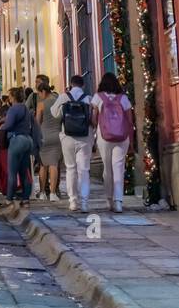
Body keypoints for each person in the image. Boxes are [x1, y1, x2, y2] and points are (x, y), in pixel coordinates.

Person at [91, 71, 134, 213]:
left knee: (107, 169)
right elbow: (129, 121)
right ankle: (119, 202)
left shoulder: (98, 97)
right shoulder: (123, 98)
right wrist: (131, 142)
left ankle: (109, 199)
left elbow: (94, 119)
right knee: (119, 168)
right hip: (122, 137)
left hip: (104, 137)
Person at [52, 74, 95, 213]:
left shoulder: (64, 97)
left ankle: (73, 201)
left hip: (68, 137)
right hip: (85, 138)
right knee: (84, 170)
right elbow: (93, 119)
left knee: (71, 169)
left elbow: (54, 113)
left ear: (71, 84)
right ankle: (84, 203)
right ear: (83, 85)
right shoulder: (88, 99)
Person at [0, 86, 37, 205]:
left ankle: (9, 198)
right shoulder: (26, 108)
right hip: (28, 140)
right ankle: (26, 198)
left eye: (10, 96)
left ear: (13, 97)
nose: (9, 99)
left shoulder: (13, 109)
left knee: (12, 172)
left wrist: (2, 126)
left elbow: (9, 125)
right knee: (24, 171)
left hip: (17, 140)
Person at [35, 79, 63, 201]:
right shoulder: (58, 102)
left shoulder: (41, 104)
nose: (39, 96)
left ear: (44, 92)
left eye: (39, 93)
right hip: (57, 137)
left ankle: (42, 193)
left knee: (43, 166)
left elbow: (37, 122)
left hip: (44, 137)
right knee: (54, 165)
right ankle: (52, 193)